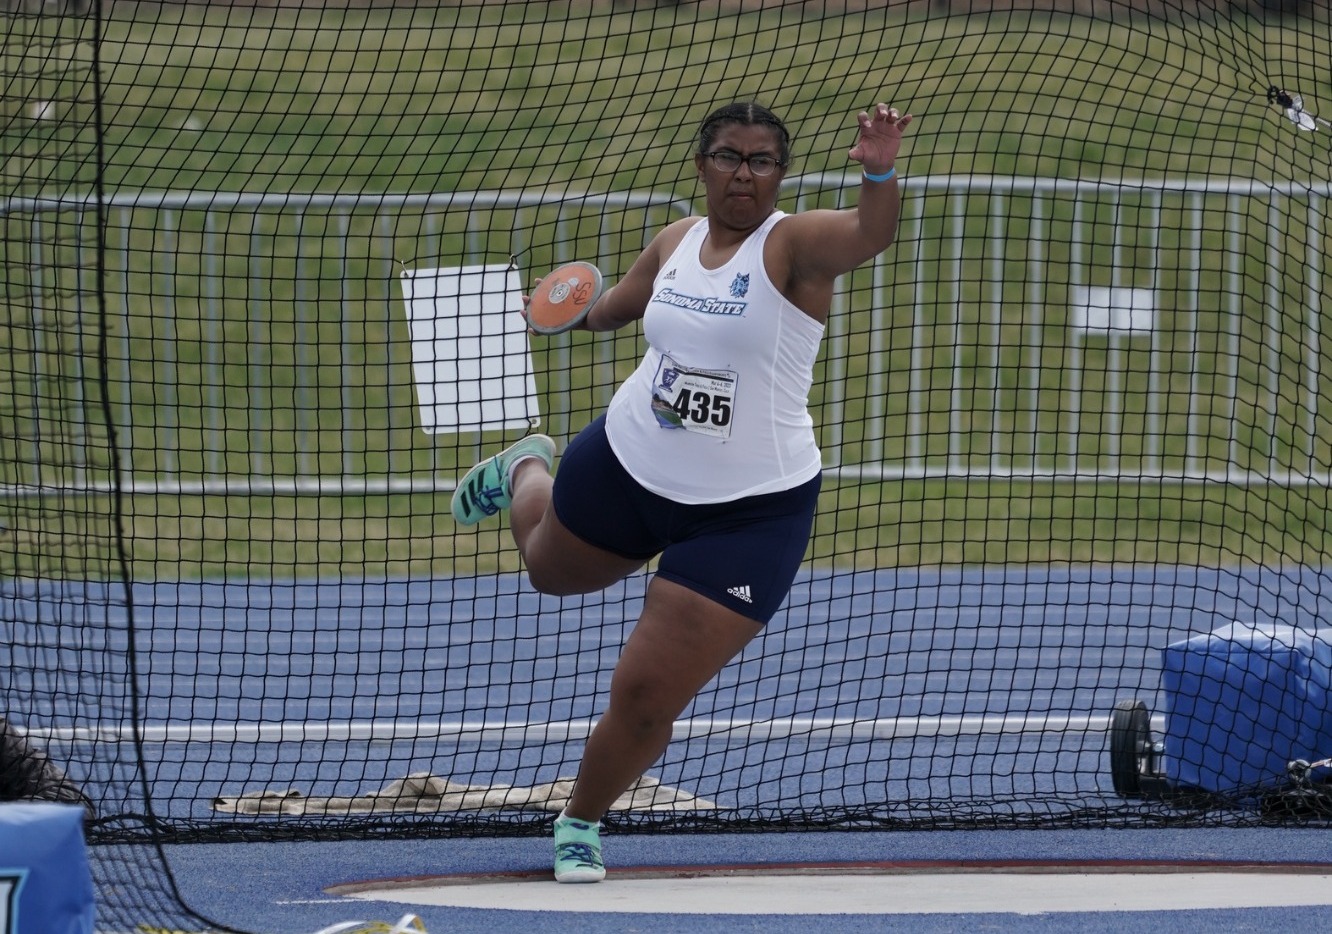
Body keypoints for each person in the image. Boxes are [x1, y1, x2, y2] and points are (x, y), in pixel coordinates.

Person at [451, 100, 913, 883]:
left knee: (643, 695)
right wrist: (557, 312)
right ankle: (527, 468)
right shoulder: (675, 241)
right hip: (629, 461)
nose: (744, 174)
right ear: (702, 165)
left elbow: (871, 234)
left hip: (748, 512)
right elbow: (613, 308)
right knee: (548, 572)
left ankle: (580, 823)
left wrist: (878, 171)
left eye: (762, 160)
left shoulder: (793, 247)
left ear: (780, 173)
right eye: (729, 156)